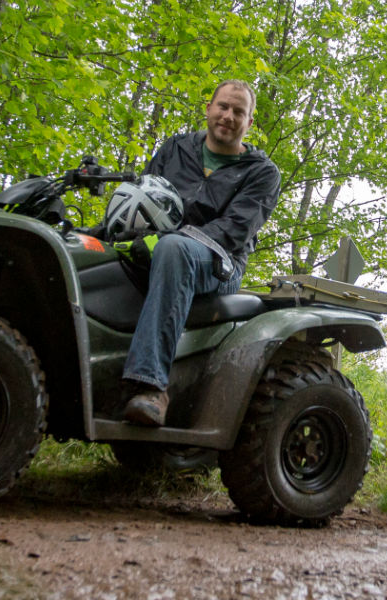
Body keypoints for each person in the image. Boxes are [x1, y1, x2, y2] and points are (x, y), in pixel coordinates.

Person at [119, 79, 282, 427]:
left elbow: (235, 231)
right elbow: (142, 197)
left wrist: (169, 239)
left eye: (239, 112)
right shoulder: (175, 149)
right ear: (208, 108)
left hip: (220, 263)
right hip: (161, 250)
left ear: (249, 123)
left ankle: (151, 386)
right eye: (223, 106)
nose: (228, 116)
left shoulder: (262, 173)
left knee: (175, 248)